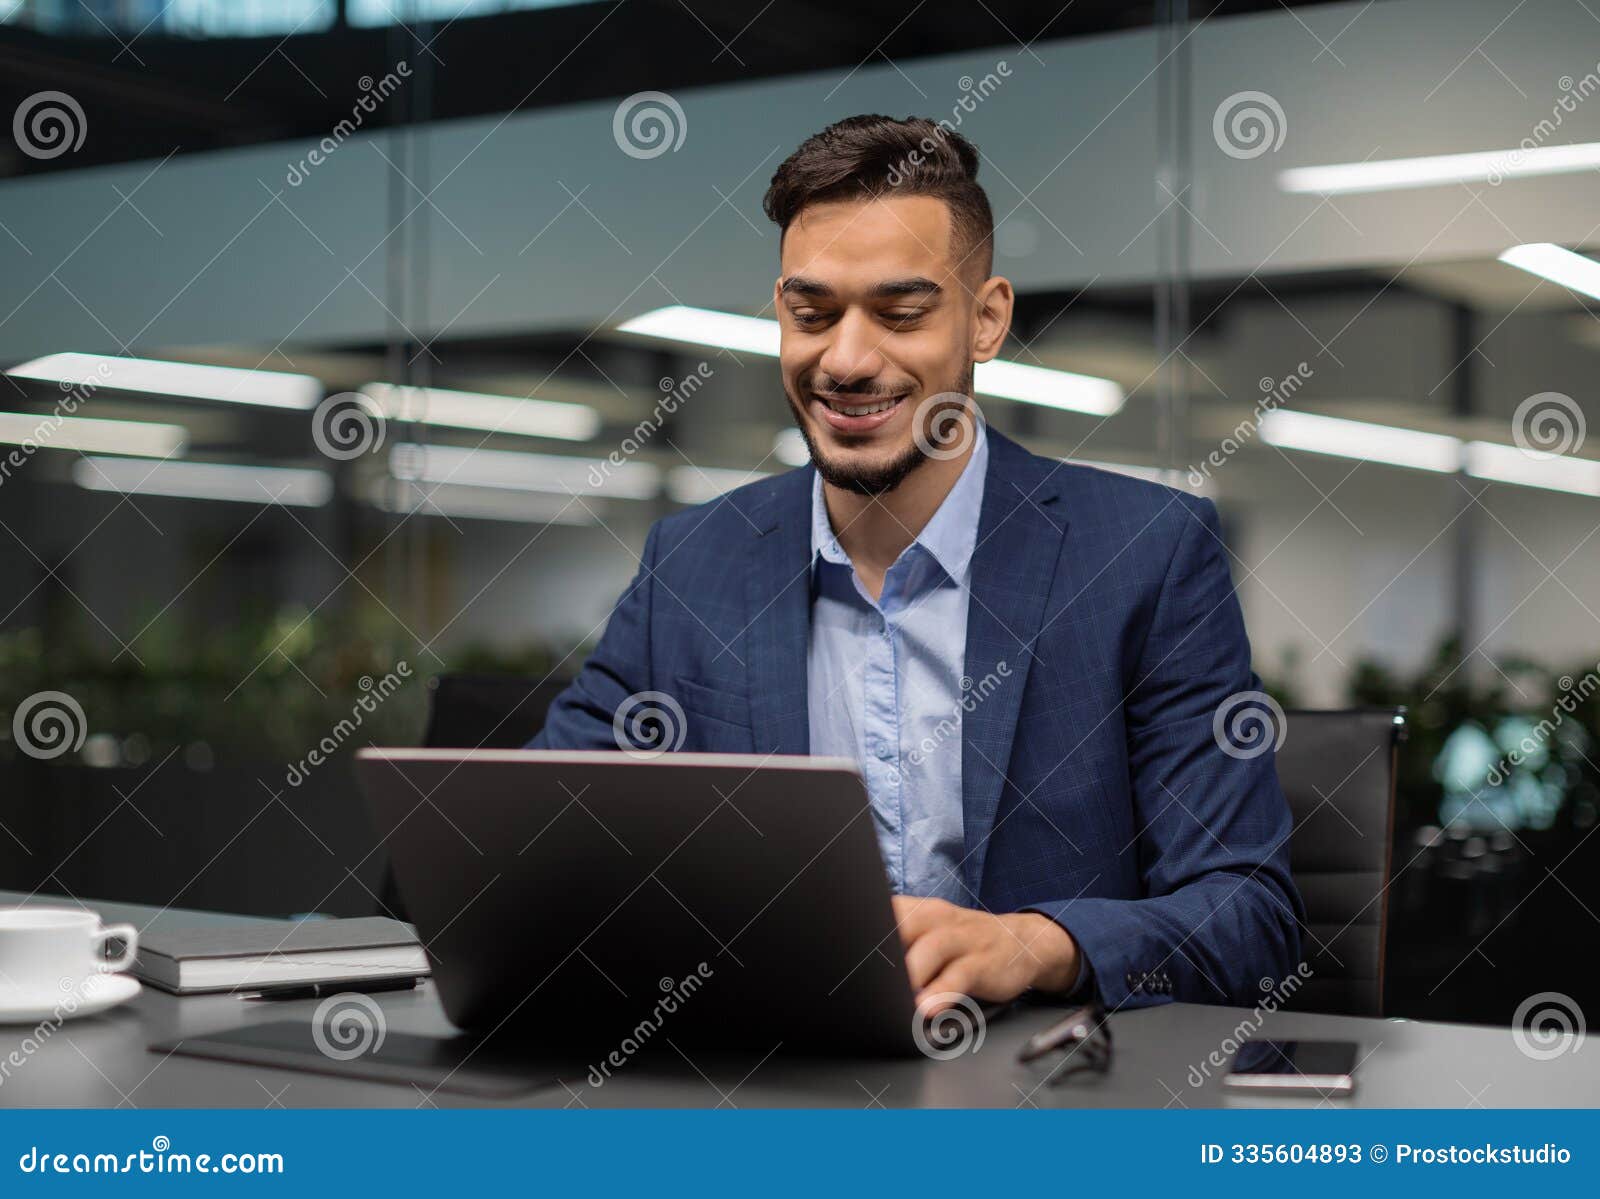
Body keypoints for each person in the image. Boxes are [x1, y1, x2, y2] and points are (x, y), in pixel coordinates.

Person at [534, 114, 1302, 1015]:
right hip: (768, 1086)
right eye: (811, 314)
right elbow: (534, 843)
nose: (848, 360)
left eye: (901, 314)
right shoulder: (692, 564)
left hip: (1036, 1104)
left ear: (986, 319)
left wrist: (1036, 944)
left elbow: (1252, 918)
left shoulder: (1144, 555)